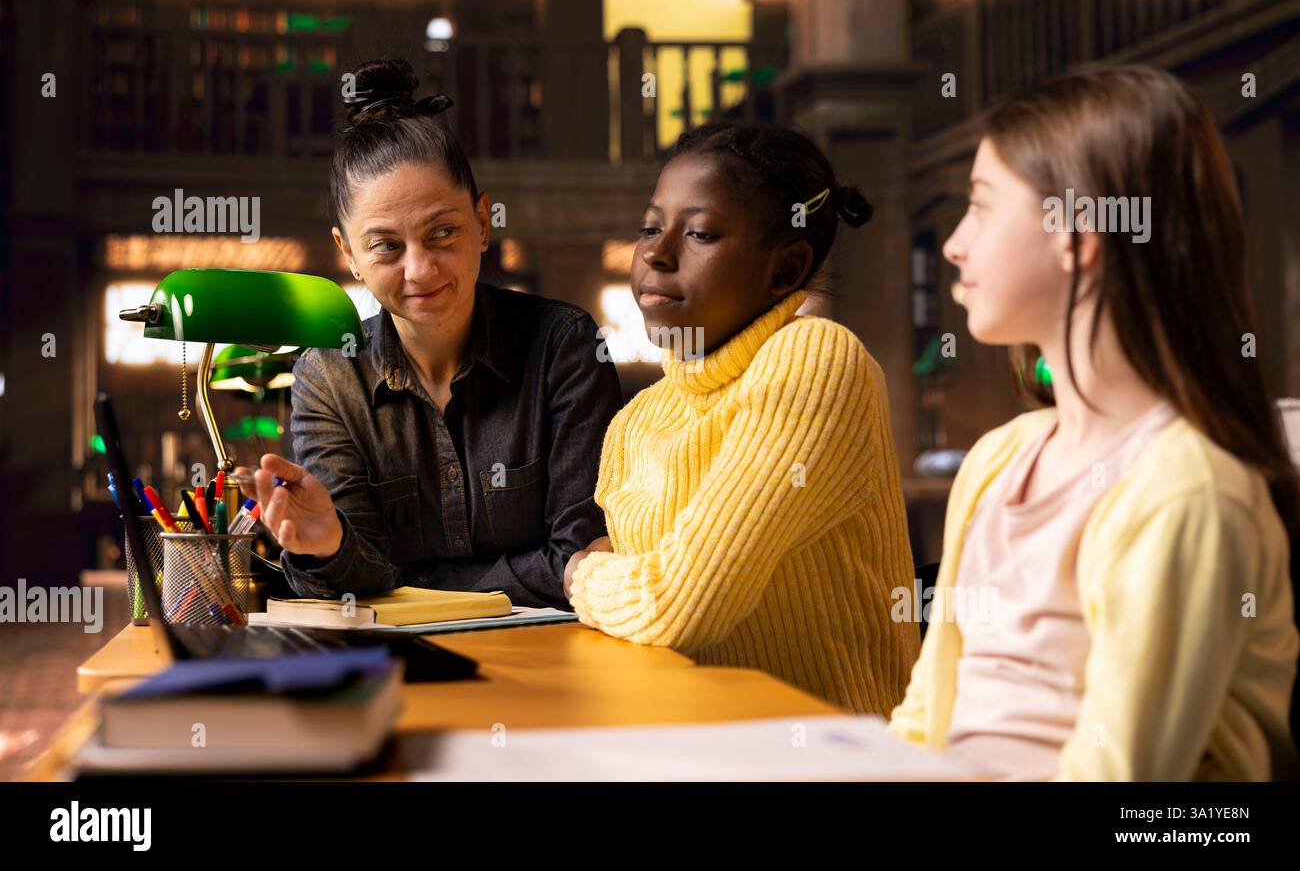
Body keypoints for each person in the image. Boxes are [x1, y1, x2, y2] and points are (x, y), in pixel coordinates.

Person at [889, 66, 1300, 780]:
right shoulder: (998, 457)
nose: (955, 244)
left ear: (1077, 235)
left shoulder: (1187, 489)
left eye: (981, 208)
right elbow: (926, 718)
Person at [236, 58, 622, 609]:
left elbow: (585, 562)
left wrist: (392, 579)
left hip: (557, 662)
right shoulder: (329, 373)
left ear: (483, 224)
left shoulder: (563, 345)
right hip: (396, 666)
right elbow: (343, 580)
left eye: (443, 232)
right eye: (386, 246)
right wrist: (330, 546)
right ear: (348, 254)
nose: (421, 270)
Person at [562, 123, 920, 715]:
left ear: (785, 270)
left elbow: (678, 605)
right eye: (651, 227)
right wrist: (616, 578)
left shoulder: (816, 358)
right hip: (683, 737)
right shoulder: (639, 418)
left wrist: (578, 575)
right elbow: (647, 607)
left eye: (699, 233)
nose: (656, 252)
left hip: (829, 759)